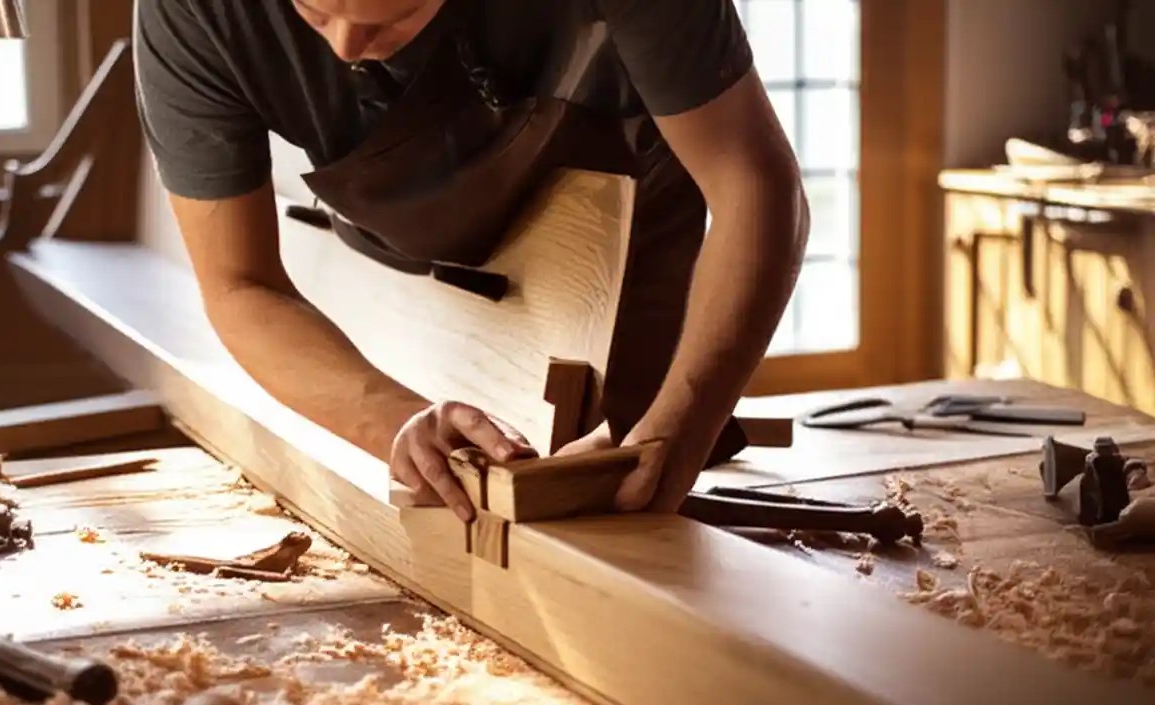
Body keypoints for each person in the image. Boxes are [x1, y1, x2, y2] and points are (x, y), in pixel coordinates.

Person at [133, 0, 809, 523]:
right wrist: (395, 421)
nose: (341, 45)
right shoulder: (193, 11)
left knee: (629, 490)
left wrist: (688, 422)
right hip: (400, 258)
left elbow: (755, 183)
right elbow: (240, 283)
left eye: (390, 15)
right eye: (313, 10)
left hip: (624, 211)